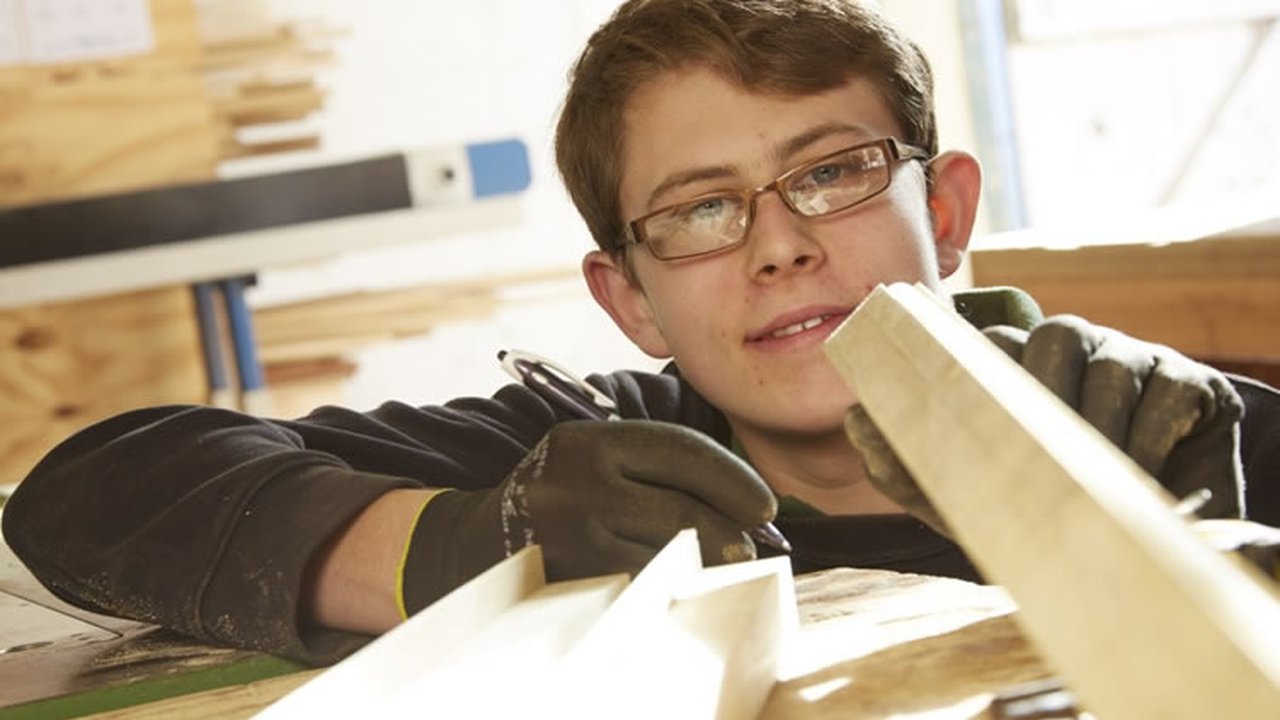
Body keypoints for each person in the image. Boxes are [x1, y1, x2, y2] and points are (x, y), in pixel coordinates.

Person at [4, 0, 1278, 665]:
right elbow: (89, 499)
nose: (778, 245)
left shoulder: (1166, 424)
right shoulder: (585, 462)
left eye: (830, 174)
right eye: (699, 212)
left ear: (941, 211)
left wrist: (1221, 546)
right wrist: (467, 546)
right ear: (628, 300)